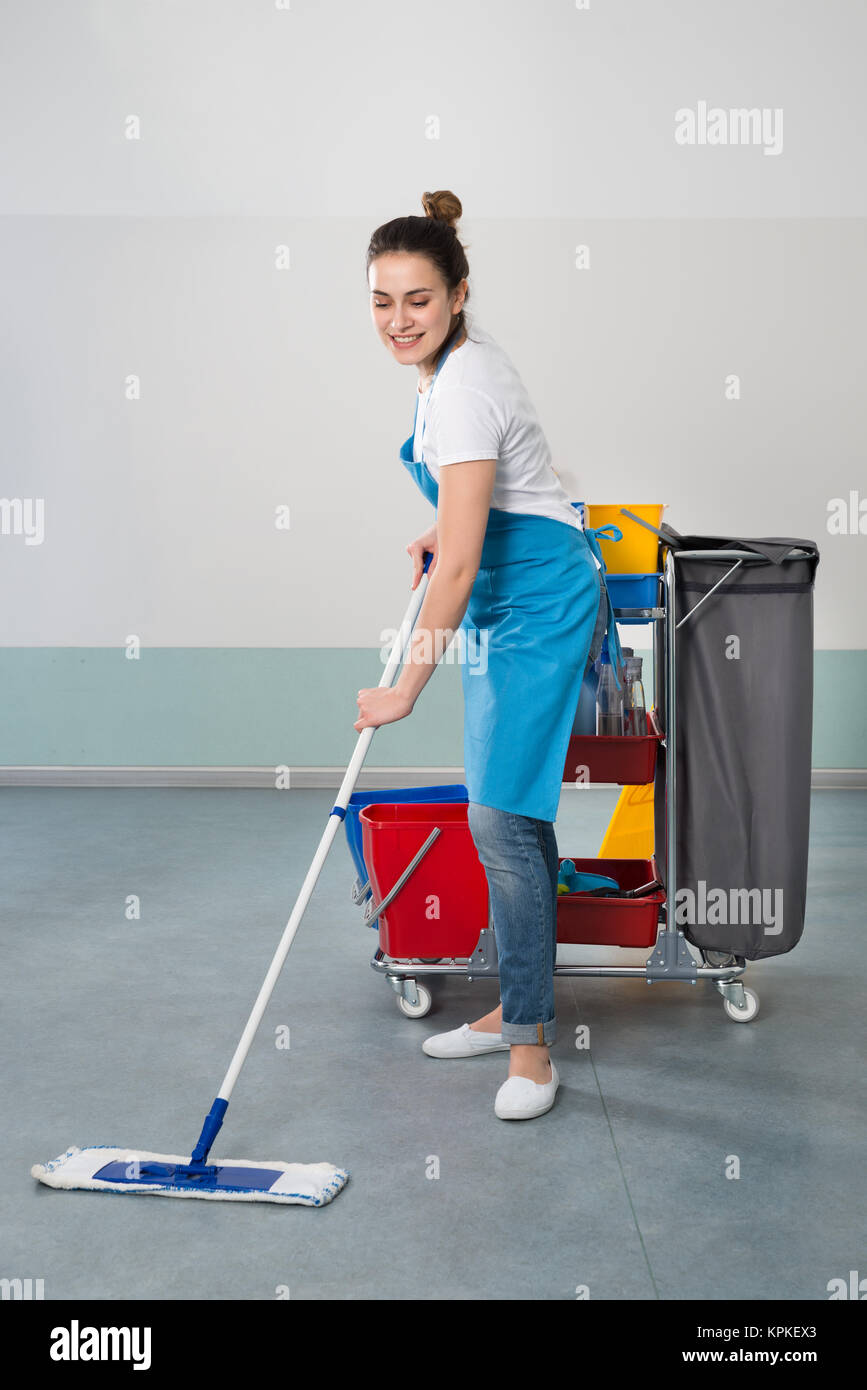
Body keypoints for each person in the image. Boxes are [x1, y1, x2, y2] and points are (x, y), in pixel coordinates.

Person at [354, 190, 616, 1120]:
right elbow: (489, 505)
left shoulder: (460, 386)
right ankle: (515, 1006)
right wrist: (443, 526)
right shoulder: (447, 370)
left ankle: (533, 1054)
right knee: (501, 814)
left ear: (457, 295)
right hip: (510, 587)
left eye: (417, 300)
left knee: (503, 822)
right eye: (382, 301)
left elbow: (462, 564)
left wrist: (402, 687)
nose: (397, 320)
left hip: (537, 601)